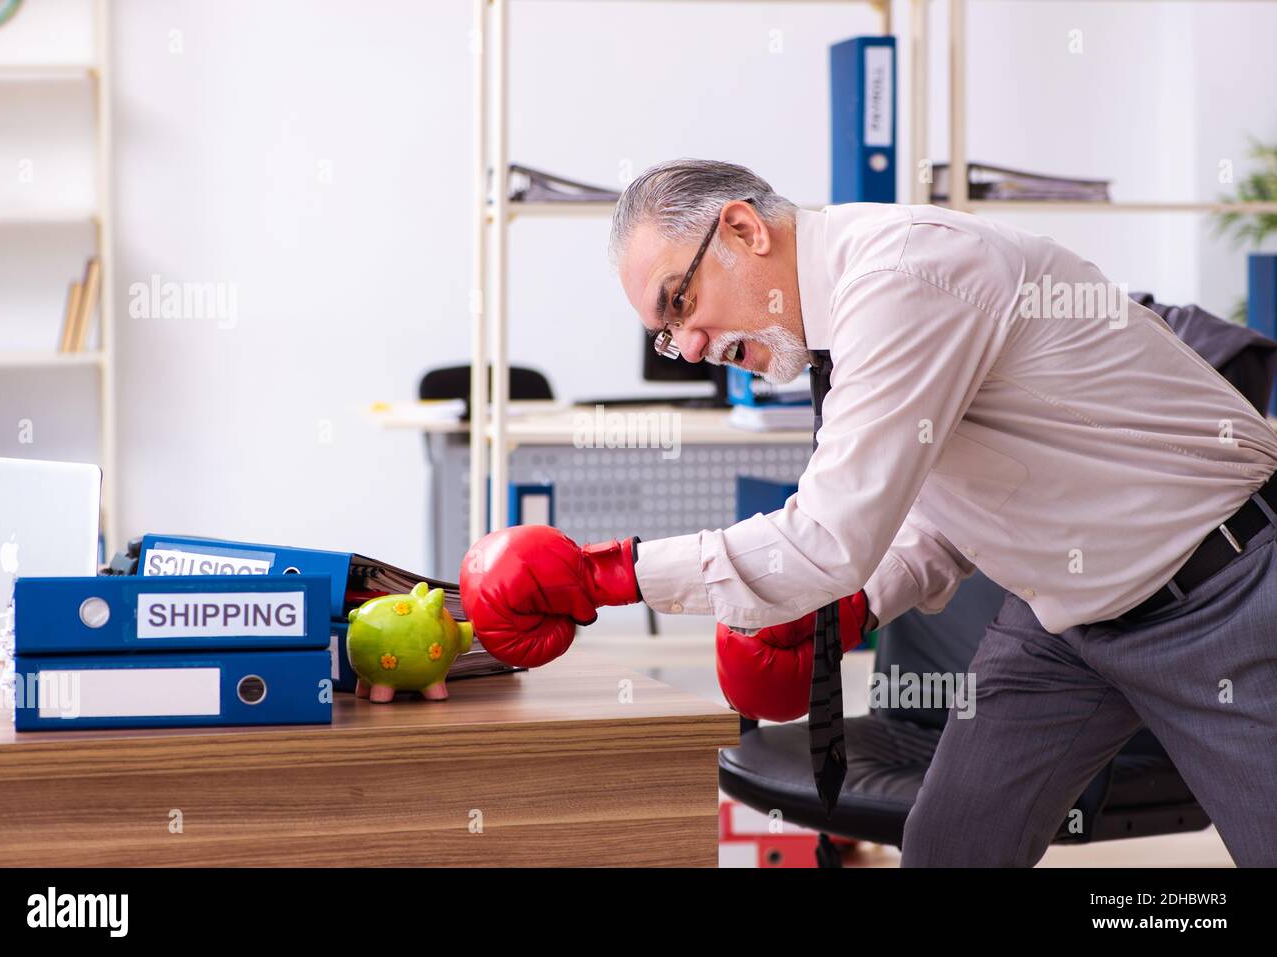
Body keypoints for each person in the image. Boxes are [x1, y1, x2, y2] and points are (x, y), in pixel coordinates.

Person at [459, 159, 1277, 866]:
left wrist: (603, 575)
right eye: (669, 336)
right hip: (1065, 621)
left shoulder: (903, 276)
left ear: (744, 229)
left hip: (1218, 592)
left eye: (682, 301)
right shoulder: (843, 323)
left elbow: (829, 535)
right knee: (951, 846)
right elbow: (943, 511)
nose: (693, 345)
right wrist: (857, 606)